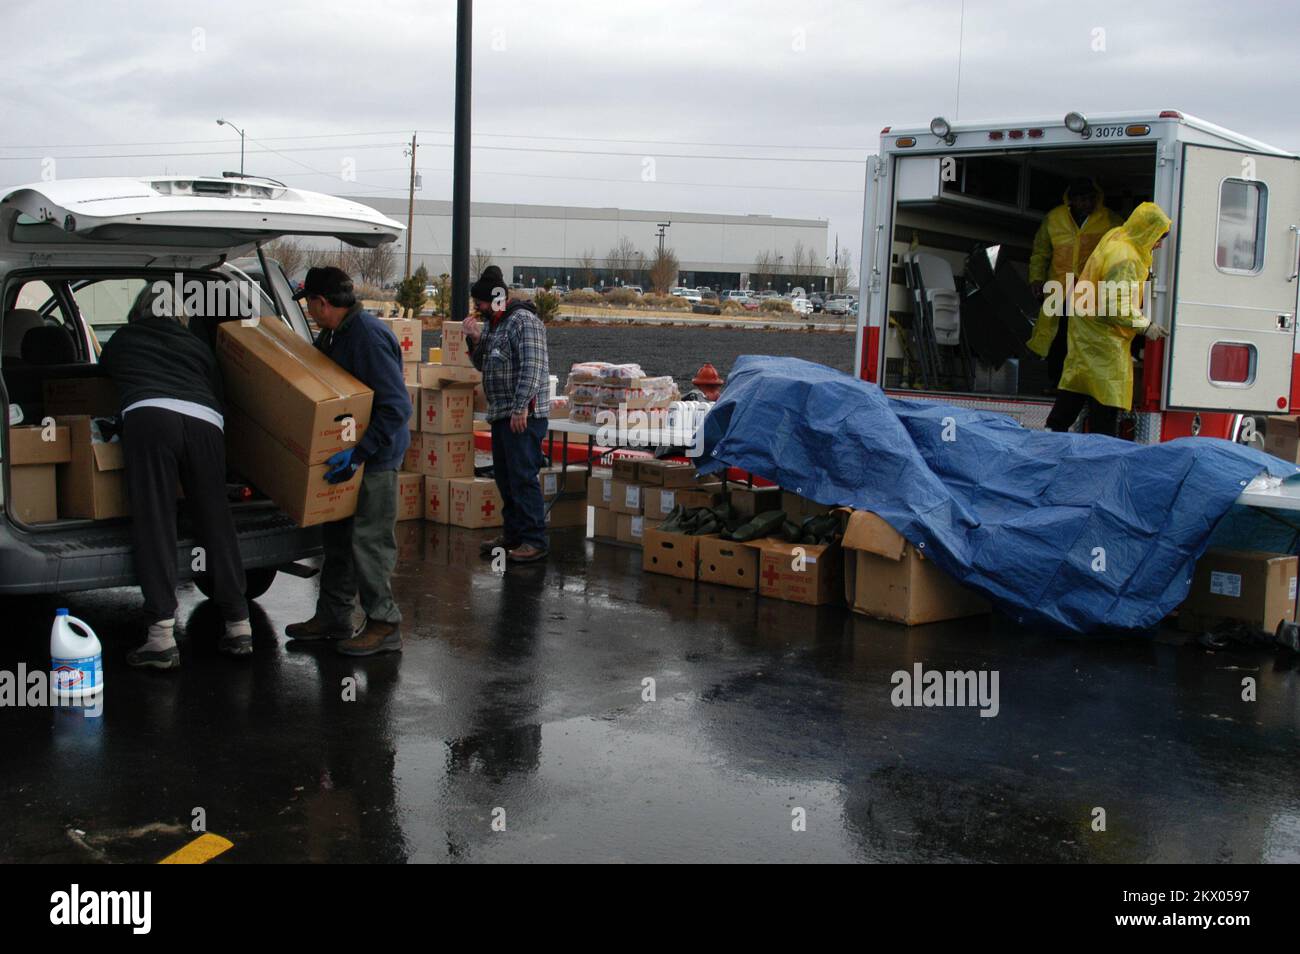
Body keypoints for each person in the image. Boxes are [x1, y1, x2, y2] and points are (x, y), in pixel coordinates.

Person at [99, 283, 250, 668]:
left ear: (140, 310)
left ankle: (161, 638)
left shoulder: (123, 338)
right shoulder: (197, 345)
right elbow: (218, 391)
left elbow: (104, 374)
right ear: (179, 315)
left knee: (156, 520)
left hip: (150, 416)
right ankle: (239, 627)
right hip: (206, 423)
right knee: (216, 520)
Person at [285, 267, 411, 655]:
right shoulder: (335, 334)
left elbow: (397, 408)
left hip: (374, 458)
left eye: (309, 304)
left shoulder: (366, 337)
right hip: (348, 455)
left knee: (369, 542)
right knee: (338, 540)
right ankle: (334, 616)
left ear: (323, 302)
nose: (308, 311)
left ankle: (384, 623)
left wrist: (359, 453)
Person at [1046, 202, 1172, 436]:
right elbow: (1115, 306)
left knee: (1078, 382)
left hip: (1087, 327)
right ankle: (1101, 448)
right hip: (1104, 336)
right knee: (1107, 391)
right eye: (1158, 237)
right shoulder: (1127, 259)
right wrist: (1146, 326)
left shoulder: (1116, 237)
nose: (1159, 243)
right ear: (1147, 231)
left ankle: (1052, 433)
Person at [462, 265, 550, 563]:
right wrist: (474, 339)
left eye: (481, 303)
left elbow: (533, 366)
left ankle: (534, 540)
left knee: (523, 477)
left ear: (495, 299)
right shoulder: (496, 325)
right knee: (505, 478)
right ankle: (513, 535)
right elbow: (482, 363)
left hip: (522, 415)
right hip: (502, 414)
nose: (477, 308)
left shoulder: (523, 322)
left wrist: (521, 405)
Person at [1026, 178, 1123, 389]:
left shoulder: (1110, 220)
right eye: (1081, 199)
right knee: (1055, 338)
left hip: (1090, 292)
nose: (1086, 203)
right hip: (1057, 289)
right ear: (1071, 200)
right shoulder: (1054, 218)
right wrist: (1036, 278)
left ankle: (1078, 385)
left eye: (1090, 199)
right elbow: (1041, 251)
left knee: (1085, 341)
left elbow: (1118, 256)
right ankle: (1055, 383)